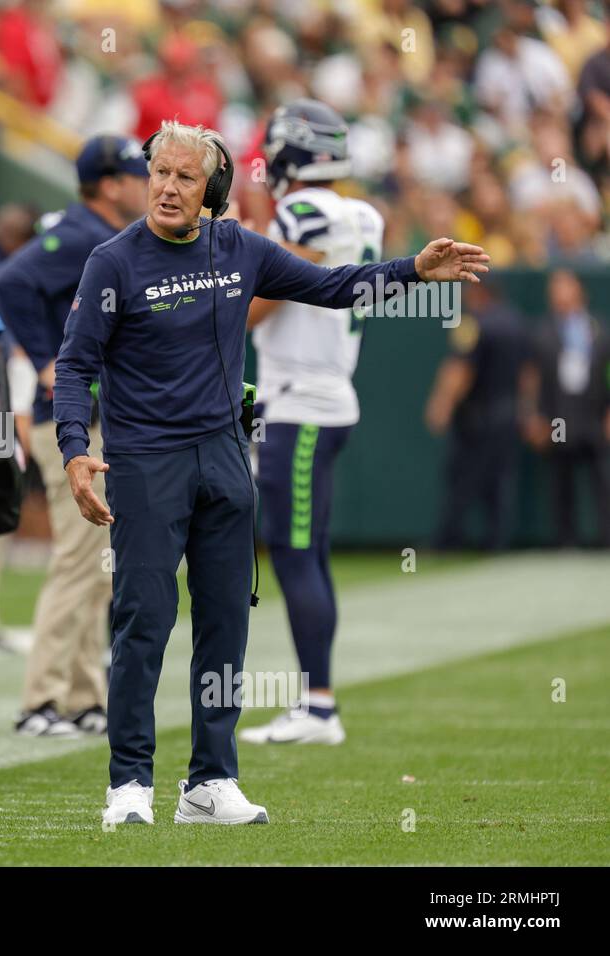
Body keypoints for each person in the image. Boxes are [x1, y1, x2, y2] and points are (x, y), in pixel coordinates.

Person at [55, 119, 488, 827]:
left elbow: (334, 285)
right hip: (146, 464)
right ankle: (129, 783)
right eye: (158, 173)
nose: (166, 188)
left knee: (227, 622)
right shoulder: (112, 260)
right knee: (144, 621)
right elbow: (74, 365)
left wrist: (412, 270)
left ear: (212, 190)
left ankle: (211, 780)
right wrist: (76, 449)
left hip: (226, 457)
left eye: (184, 177)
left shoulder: (241, 247)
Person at [239, 99, 384, 746]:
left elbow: (256, 312)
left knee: (296, 554)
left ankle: (318, 706)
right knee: (309, 553)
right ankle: (317, 699)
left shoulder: (304, 211)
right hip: (326, 396)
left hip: (299, 403)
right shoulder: (363, 212)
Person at [0, 133, 149, 737]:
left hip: (86, 418)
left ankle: (84, 694)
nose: (149, 186)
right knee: (77, 562)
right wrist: (41, 356)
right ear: (111, 184)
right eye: (139, 175)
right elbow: (9, 283)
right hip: (69, 423)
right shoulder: (84, 233)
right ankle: (40, 700)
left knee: (96, 564)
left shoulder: (102, 235)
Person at [425, 282, 528, 550]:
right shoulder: (516, 322)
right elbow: (529, 374)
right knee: (500, 481)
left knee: (461, 477)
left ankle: (449, 539)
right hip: (508, 412)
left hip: (477, 415)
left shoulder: (473, 323)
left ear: (478, 293)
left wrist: (442, 404)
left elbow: (461, 369)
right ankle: (496, 541)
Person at [521, 270, 610, 547]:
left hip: (594, 414)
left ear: (580, 291)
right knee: (561, 481)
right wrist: (532, 416)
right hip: (558, 417)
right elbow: (530, 377)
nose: (558, 294)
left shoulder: (599, 328)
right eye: (554, 288)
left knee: (603, 481)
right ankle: (566, 542)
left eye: (565, 287)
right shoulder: (542, 331)